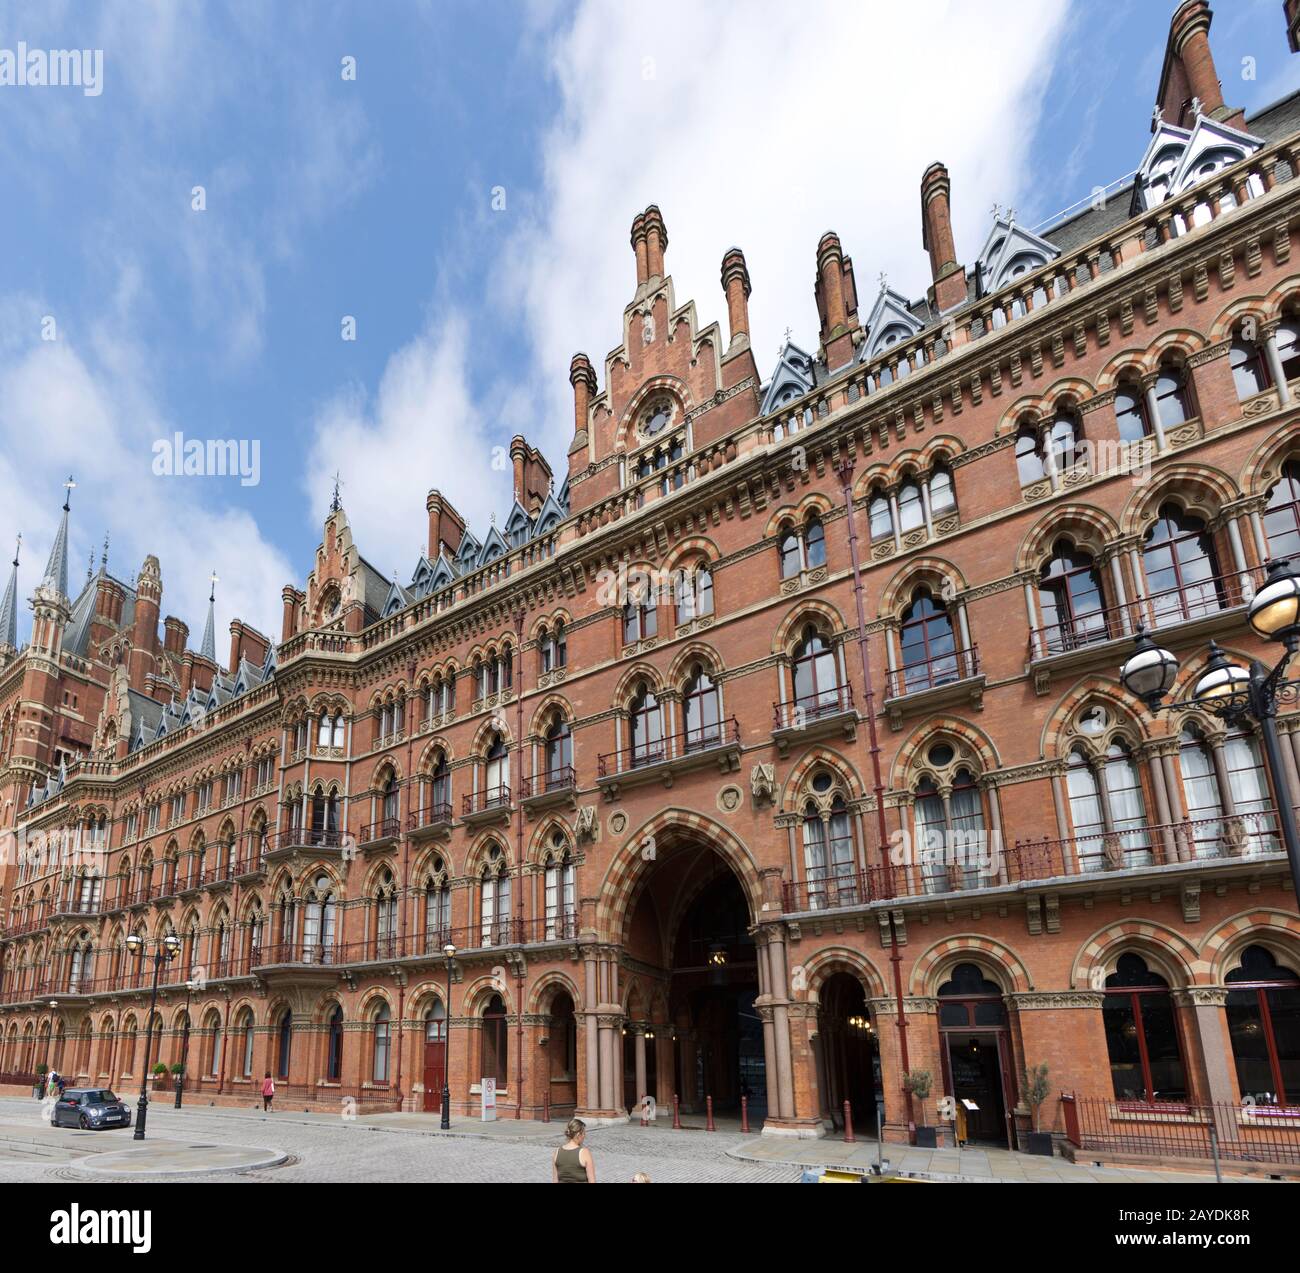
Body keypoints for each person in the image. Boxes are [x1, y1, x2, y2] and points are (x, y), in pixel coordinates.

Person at [552, 1117, 595, 1183]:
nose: (584, 1136)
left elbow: (555, 1180)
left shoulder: (557, 1152)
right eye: (583, 1133)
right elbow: (592, 1181)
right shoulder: (584, 1152)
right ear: (578, 1135)